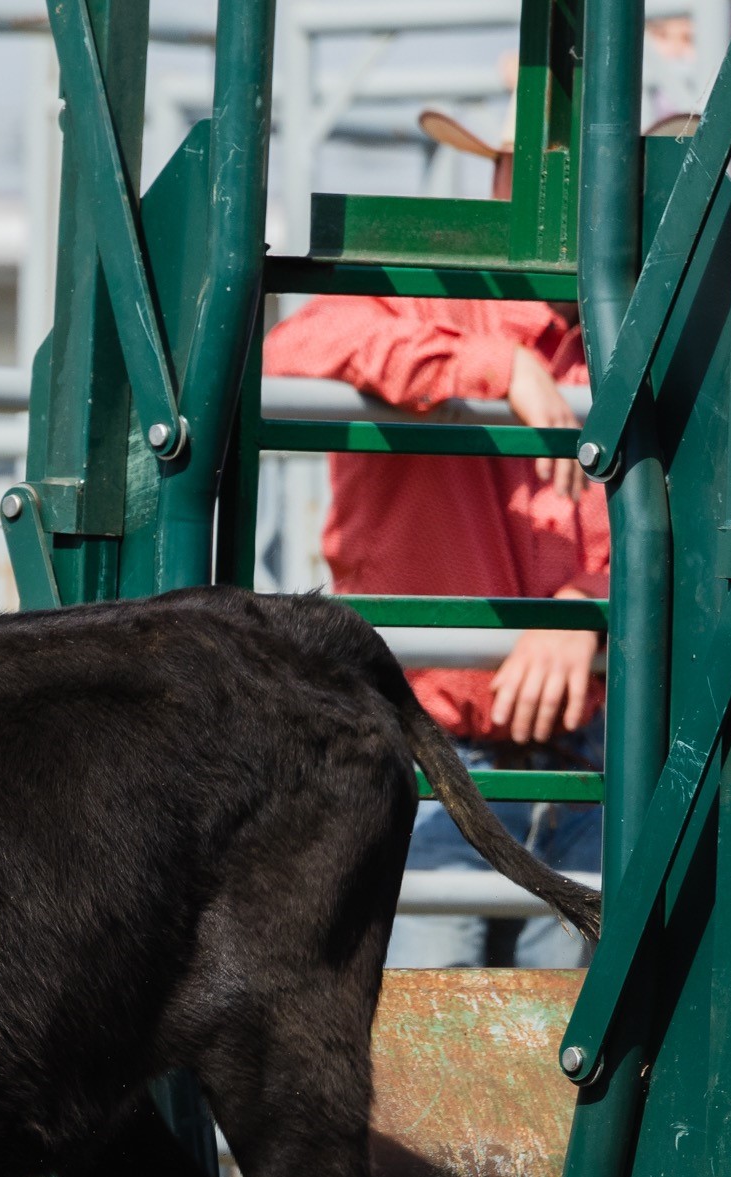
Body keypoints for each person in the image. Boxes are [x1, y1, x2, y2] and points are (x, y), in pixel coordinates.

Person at [265, 112, 606, 969]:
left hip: (587, 759)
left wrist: (592, 610)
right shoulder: (419, 294)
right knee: (422, 1024)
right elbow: (294, 351)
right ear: (500, 187)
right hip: (427, 754)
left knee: (564, 1059)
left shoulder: (628, 331)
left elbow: (680, 513)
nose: (575, 209)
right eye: (542, 183)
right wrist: (492, 371)